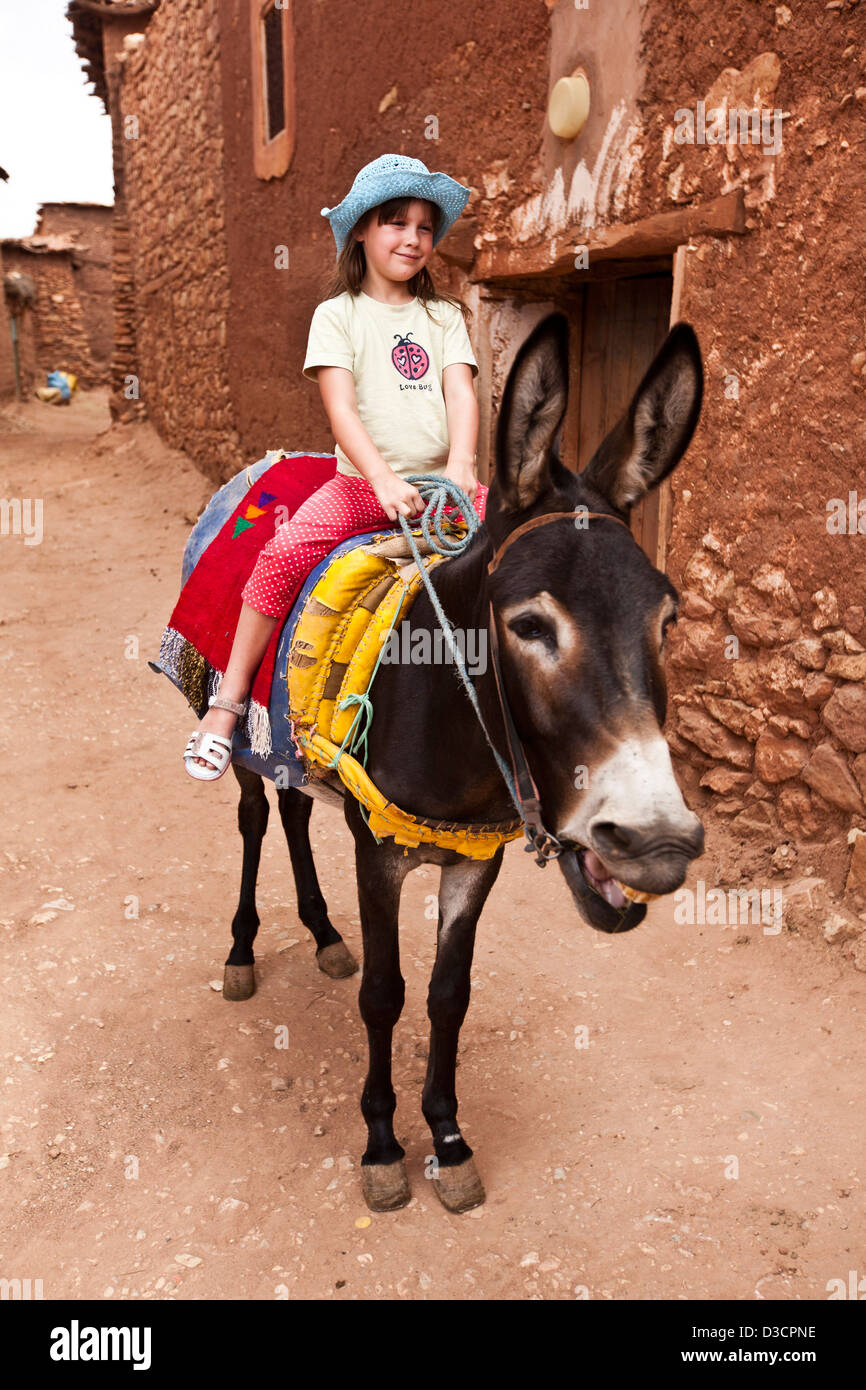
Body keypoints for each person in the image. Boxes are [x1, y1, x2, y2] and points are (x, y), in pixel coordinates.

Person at [185, 153, 489, 779]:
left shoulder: (445, 317)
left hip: (445, 487)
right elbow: (342, 409)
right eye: (395, 223)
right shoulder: (339, 315)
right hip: (360, 486)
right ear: (360, 231)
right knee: (281, 556)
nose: (412, 239)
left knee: (519, 560)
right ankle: (229, 701)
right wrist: (380, 478)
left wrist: (461, 464)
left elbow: (460, 392)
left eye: (425, 228)